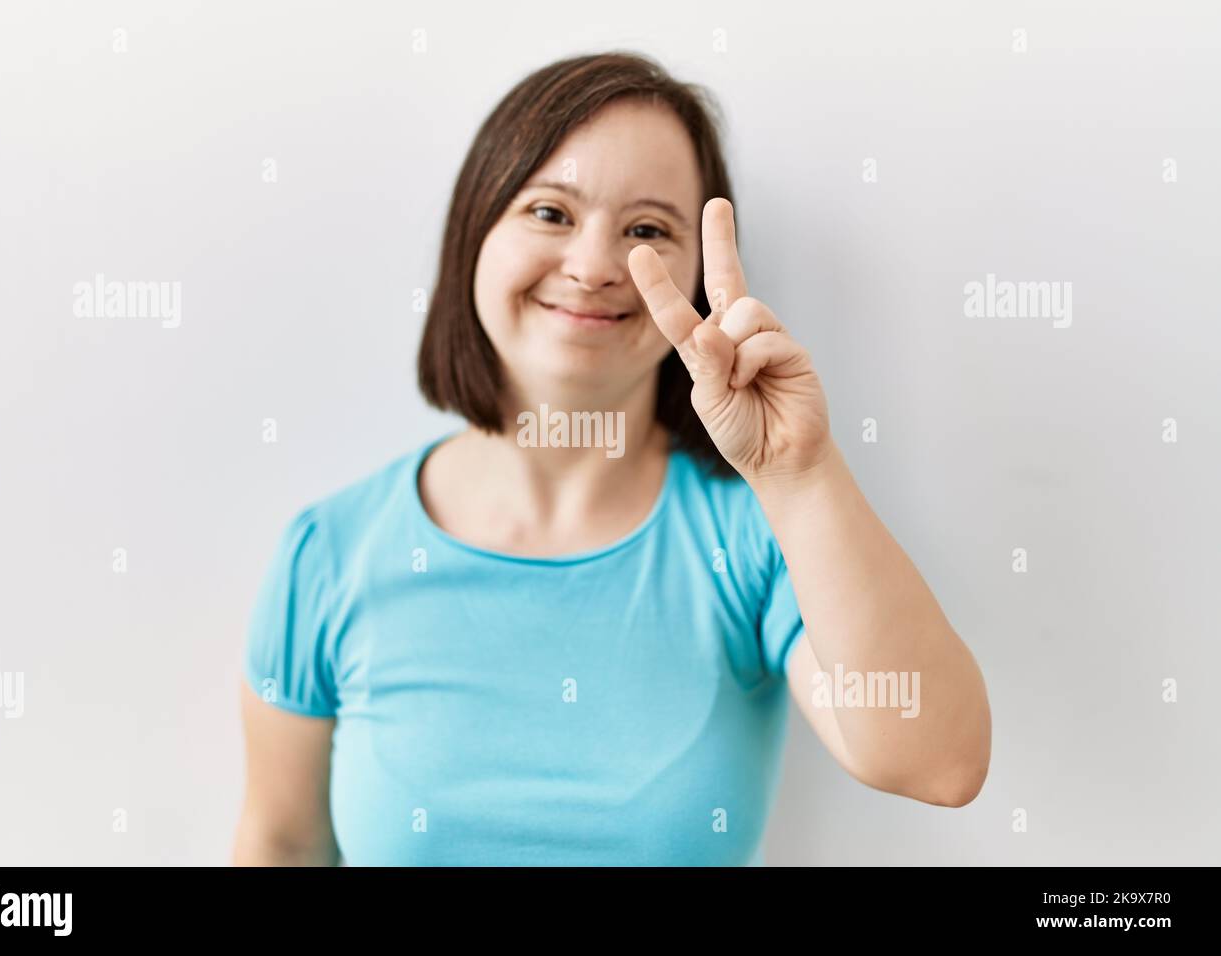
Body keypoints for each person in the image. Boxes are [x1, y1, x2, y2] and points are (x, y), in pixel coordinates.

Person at [232, 51, 991, 866]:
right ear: (473, 234)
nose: (594, 268)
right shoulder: (328, 554)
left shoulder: (753, 538)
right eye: (550, 213)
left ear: (698, 281)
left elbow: (937, 763)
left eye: (647, 231)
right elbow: (282, 842)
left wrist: (799, 474)